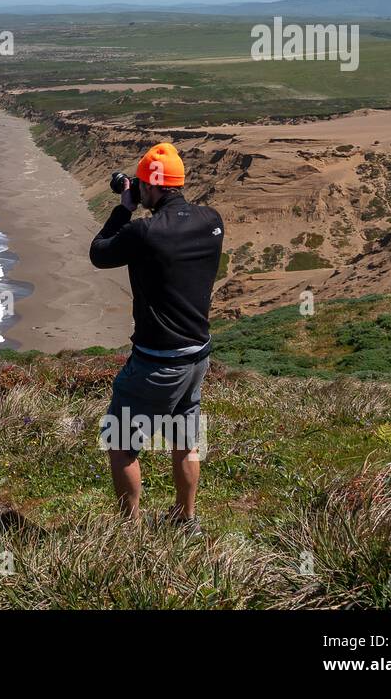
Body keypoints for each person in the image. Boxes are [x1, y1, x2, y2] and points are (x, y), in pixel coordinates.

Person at [89, 142, 223, 532]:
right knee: (184, 438)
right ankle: (186, 520)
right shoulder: (212, 220)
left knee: (120, 442)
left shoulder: (143, 232)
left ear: (148, 187)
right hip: (198, 355)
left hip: (157, 361)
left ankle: (130, 531)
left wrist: (124, 207)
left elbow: (99, 253)